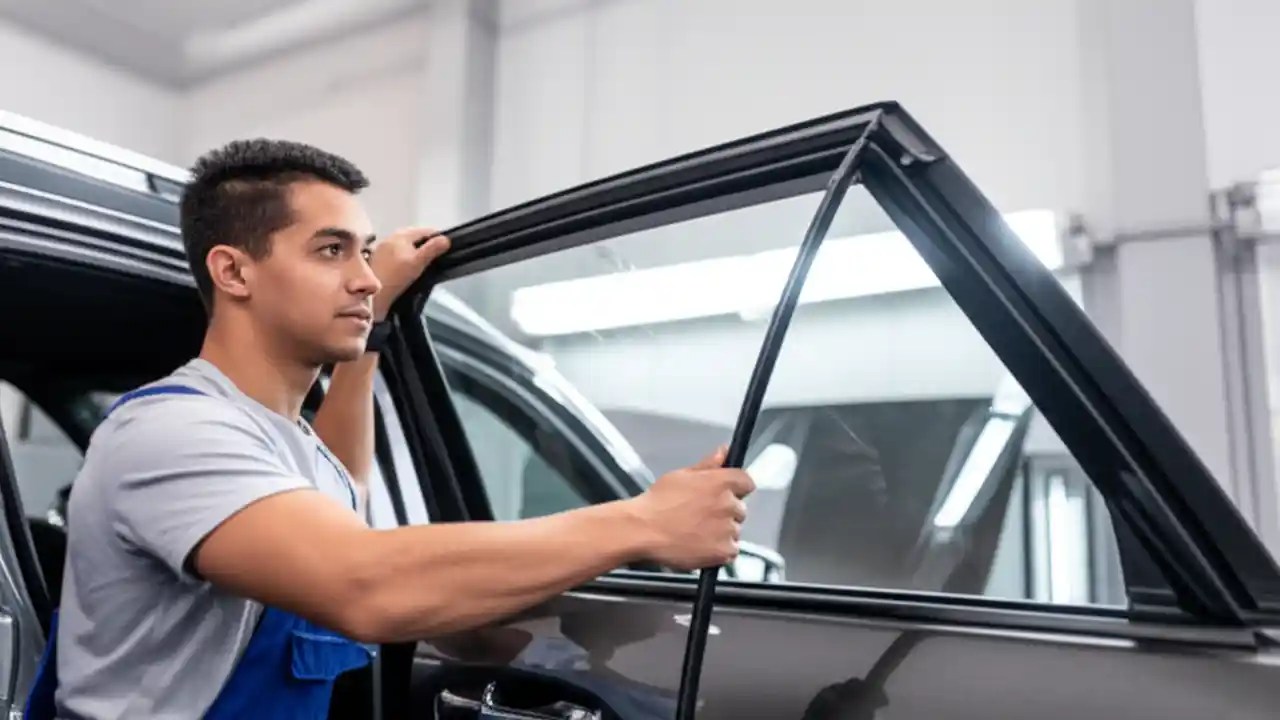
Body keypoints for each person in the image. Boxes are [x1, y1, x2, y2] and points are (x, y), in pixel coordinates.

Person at [35, 140, 753, 719]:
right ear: (233, 271)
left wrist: (373, 329)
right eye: (331, 250)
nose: (367, 277)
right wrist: (641, 522)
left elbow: (342, 481)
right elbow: (363, 582)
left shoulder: (282, 442)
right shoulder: (172, 430)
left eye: (366, 252)